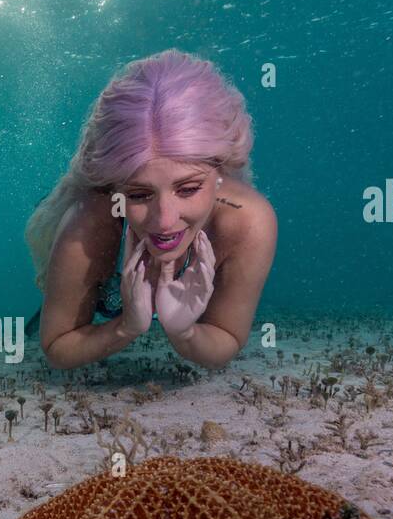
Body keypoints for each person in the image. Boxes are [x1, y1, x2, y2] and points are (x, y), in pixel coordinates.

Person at [24, 49, 276, 371]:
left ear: (221, 173)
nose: (165, 221)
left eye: (188, 189)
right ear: (114, 188)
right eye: (140, 194)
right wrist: (124, 327)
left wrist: (185, 333)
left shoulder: (249, 222)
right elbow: (58, 346)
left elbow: (227, 336)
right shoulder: (90, 224)